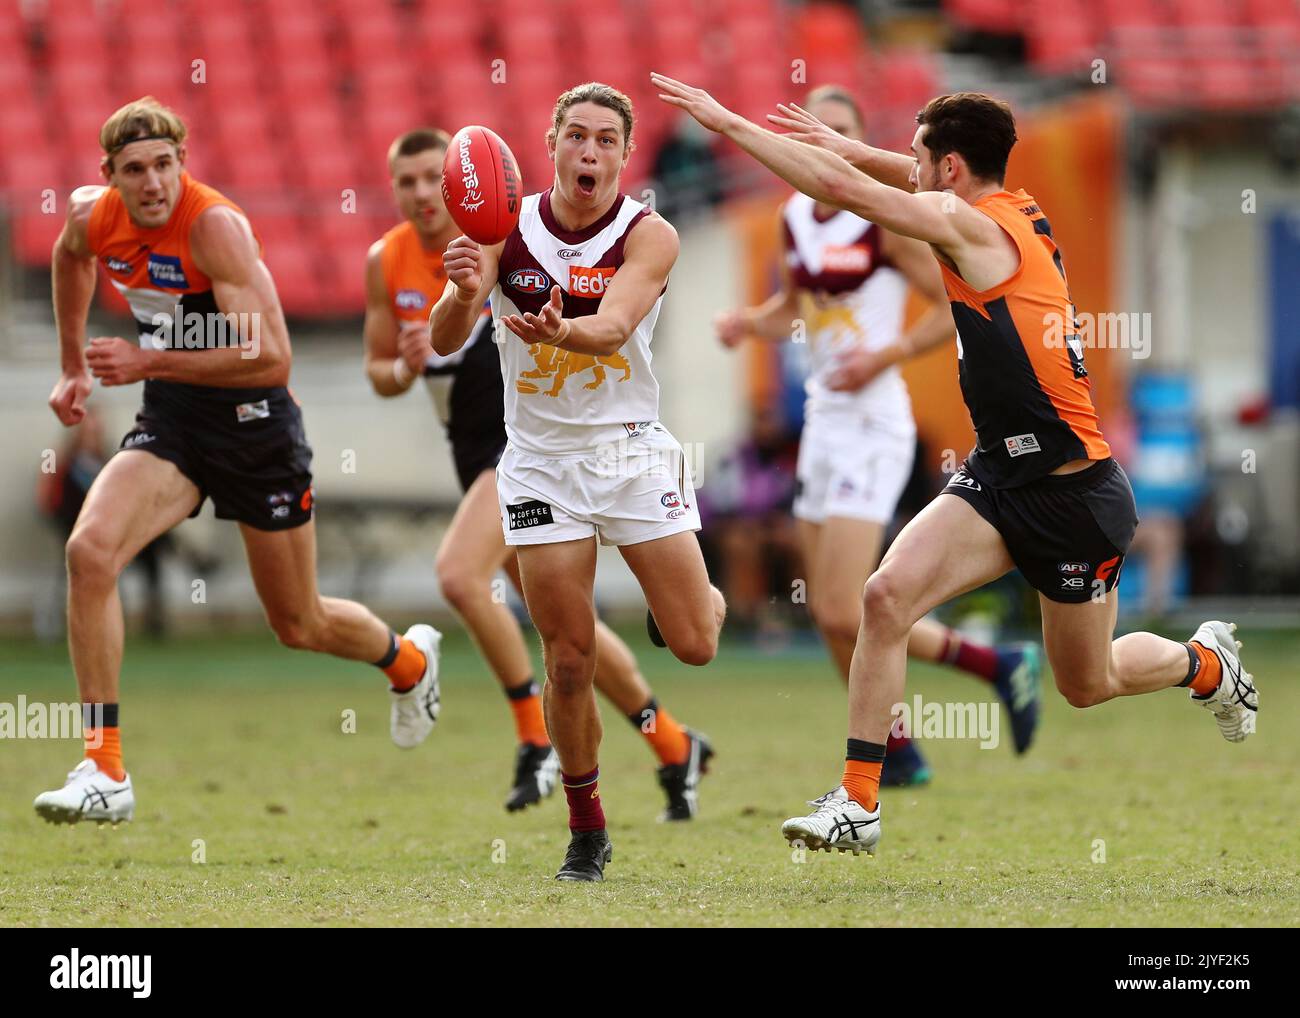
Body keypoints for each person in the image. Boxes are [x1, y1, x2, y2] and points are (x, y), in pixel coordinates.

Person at [652, 75, 1257, 856]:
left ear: (949, 171)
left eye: (916, 156)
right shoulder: (1002, 203)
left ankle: (1205, 663)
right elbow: (895, 175)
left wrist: (727, 122)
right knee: (885, 598)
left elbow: (848, 190)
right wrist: (847, 144)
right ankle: (860, 802)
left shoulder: (965, 226)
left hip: (1074, 495)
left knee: (1088, 684)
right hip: (999, 478)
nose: (905, 165)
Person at [35, 97, 442, 827]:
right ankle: (104, 767)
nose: (153, 182)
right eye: (135, 170)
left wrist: (147, 357)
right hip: (175, 424)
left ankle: (409, 663)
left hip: (256, 429)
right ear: (112, 176)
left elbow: (271, 357)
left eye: (165, 164)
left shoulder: (213, 227)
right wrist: (73, 366)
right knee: (90, 553)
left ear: (182, 164)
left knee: (299, 623)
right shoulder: (93, 217)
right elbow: (70, 259)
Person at [364, 127, 713, 819]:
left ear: (469, 185)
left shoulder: (505, 234)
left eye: (437, 177)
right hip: (472, 450)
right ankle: (673, 745)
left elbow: (600, 328)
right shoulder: (391, 260)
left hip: (521, 446)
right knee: (569, 639)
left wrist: (492, 310)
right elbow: (383, 371)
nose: (423, 193)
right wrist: (408, 357)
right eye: (406, 182)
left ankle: (533, 739)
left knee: (460, 576)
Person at [429, 83, 727, 881]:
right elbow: (445, 336)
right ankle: (587, 830)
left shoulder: (649, 235)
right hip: (539, 465)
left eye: (604, 141)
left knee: (696, 642)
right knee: (566, 659)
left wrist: (568, 329)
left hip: (629, 454)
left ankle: (696, 604)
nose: (588, 153)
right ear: (552, 141)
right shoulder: (504, 227)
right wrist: (463, 292)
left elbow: (618, 324)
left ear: (625, 156)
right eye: (575, 137)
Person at [714, 86, 1042, 782]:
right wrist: (750, 321)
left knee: (842, 604)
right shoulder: (794, 215)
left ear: (856, 142)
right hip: (823, 422)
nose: (821, 138)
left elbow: (949, 307)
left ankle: (890, 750)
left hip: (875, 422)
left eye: (838, 130)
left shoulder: (883, 223)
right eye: (815, 128)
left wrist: (882, 356)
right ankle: (934, 717)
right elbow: (799, 308)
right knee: (832, 614)